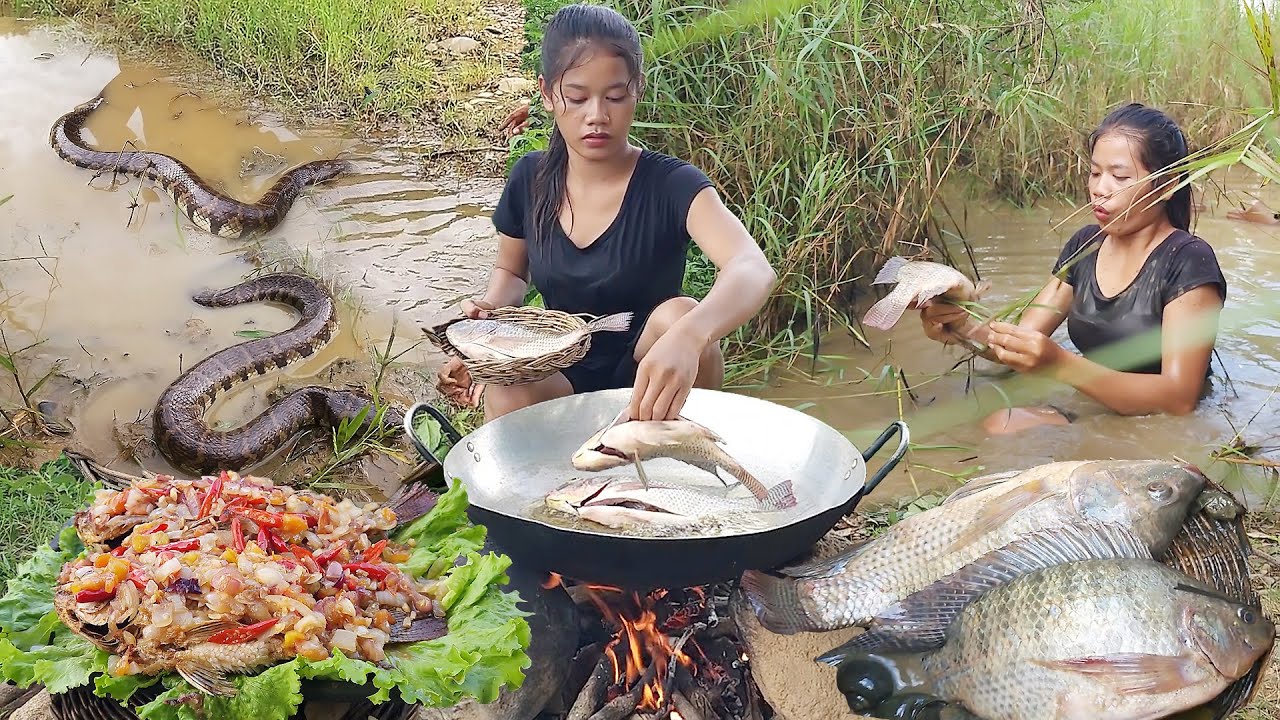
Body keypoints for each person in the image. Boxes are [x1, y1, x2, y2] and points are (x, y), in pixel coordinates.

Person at [438, 3, 777, 423]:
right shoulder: (530, 178)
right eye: (577, 98)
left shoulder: (671, 185)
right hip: (558, 368)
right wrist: (485, 331)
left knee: (680, 314)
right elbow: (511, 274)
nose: (597, 116)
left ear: (637, 89)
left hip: (649, 371)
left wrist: (690, 336)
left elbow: (751, 267)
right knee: (508, 387)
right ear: (547, 94)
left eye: (615, 97)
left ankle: (673, 453)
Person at [919, 103, 1227, 434]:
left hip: (1160, 426)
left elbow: (1180, 400)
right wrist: (961, 327)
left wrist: (1061, 364)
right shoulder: (1086, 245)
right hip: (1098, 405)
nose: (1100, 189)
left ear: (1166, 186)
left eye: (1120, 177)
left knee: (1004, 424)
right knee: (997, 423)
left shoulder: (1188, 260)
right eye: (1095, 173)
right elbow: (1024, 341)